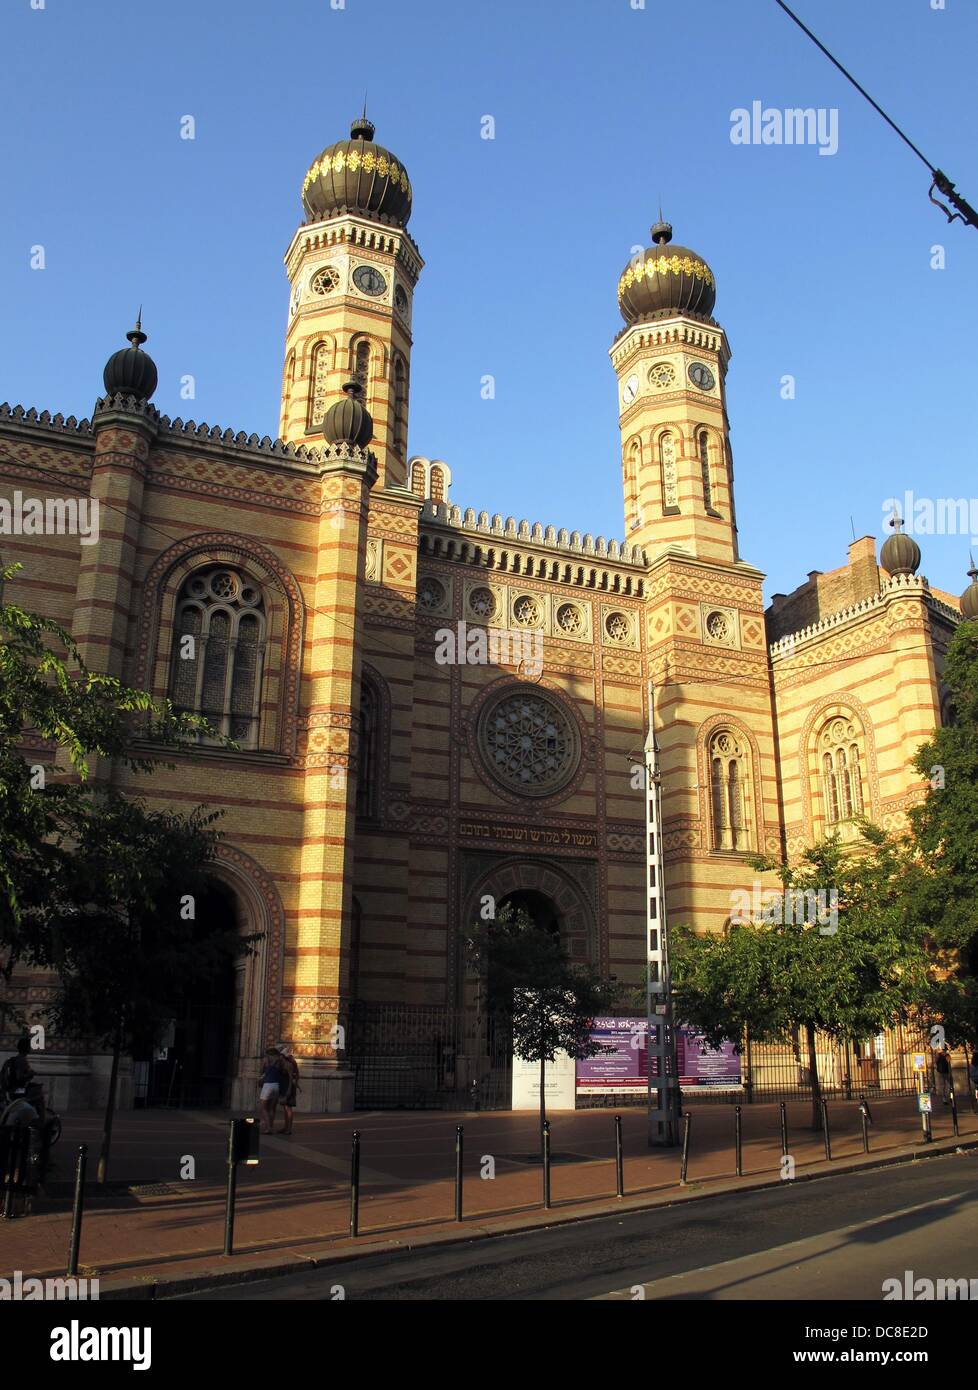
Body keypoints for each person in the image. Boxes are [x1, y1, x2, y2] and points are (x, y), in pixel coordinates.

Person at [258, 1048, 287, 1134]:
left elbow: (262, 1070)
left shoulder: (266, 1060)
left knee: (263, 1108)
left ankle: (268, 1127)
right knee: (272, 1108)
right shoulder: (279, 1061)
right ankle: (271, 1126)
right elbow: (283, 1071)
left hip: (268, 1085)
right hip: (276, 1085)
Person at [276, 1044, 300, 1135]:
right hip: (286, 1086)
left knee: (288, 1108)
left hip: (288, 1087)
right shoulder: (288, 1063)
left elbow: (291, 1078)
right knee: (286, 1107)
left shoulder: (288, 1064)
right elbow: (297, 1074)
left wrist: (289, 1089)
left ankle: (288, 1128)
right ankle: (286, 1127)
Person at [0, 1037, 33, 1101]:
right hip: (18, 1091)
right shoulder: (22, 1060)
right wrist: (30, 1074)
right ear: (27, 1048)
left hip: (10, 1090)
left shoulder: (12, 1059)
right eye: (29, 1046)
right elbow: (19, 1077)